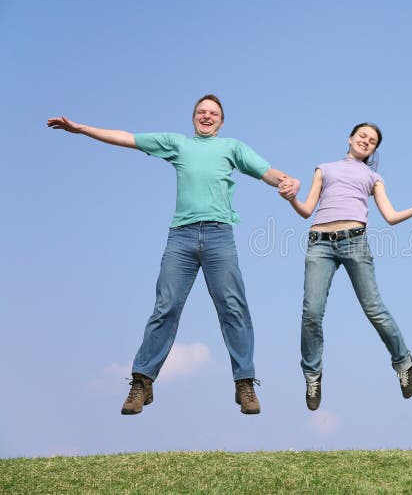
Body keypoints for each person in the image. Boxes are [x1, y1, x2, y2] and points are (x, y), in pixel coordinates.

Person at [47, 94, 300, 415]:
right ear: (194, 118)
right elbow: (127, 138)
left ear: (221, 122)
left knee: (233, 307)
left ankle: (245, 382)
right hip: (181, 238)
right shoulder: (178, 144)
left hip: (219, 236)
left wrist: (289, 180)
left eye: (213, 114)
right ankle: (142, 382)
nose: (206, 116)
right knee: (165, 307)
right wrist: (82, 129)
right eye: (201, 112)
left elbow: (268, 172)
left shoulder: (232, 148)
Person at [286, 122, 412, 411]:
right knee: (311, 312)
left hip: (355, 242)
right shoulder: (324, 169)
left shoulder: (373, 177)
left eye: (372, 141)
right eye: (362, 136)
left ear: (374, 149)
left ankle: (403, 361)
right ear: (350, 137)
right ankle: (312, 375)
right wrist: (292, 197)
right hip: (320, 243)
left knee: (374, 309)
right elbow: (307, 210)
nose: (366, 141)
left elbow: (391, 216)